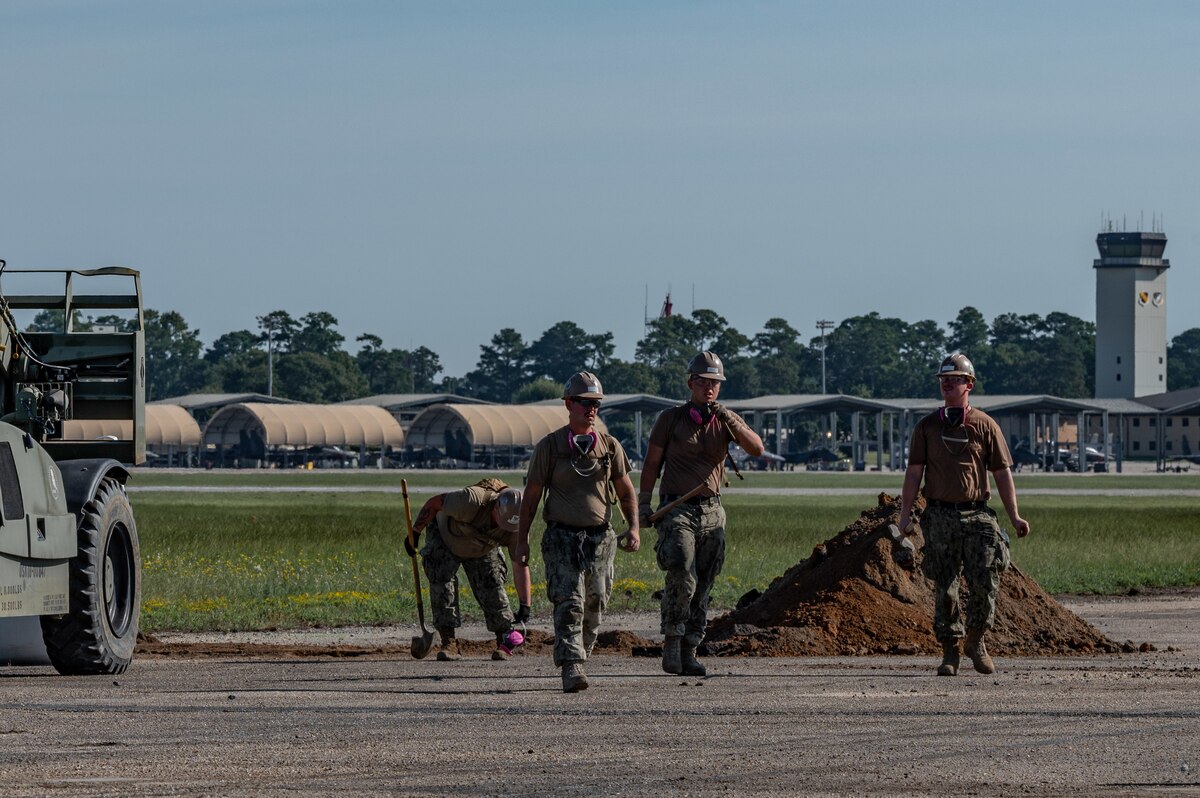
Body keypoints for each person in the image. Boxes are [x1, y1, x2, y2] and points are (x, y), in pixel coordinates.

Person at [897, 352, 1031, 676]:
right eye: (944, 380)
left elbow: (1002, 473)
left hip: (977, 515)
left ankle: (976, 641)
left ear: (969, 384)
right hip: (940, 515)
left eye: (954, 379)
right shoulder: (927, 427)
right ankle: (950, 651)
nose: (947, 384)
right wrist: (904, 516)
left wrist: (1014, 516)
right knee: (945, 586)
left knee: (986, 581)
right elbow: (914, 473)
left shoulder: (985, 425)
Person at [638, 351, 765, 676]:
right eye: (703, 382)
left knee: (706, 580)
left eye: (715, 383)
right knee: (682, 570)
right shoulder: (670, 419)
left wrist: (729, 419)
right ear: (691, 383)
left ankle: (691, 648)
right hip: (676, 507)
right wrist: (643, 504)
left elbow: (757, 448)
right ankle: (672, 640)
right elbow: (652, 464)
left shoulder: (725, 420)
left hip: (712, 510)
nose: (709, 388)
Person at [514, 371, 640, 693]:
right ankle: (572, 665)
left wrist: (634, 527)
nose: (591, 409)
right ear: (568, 404)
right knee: (569, 601)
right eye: (584, 402)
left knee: (595, 602)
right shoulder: (550, 447)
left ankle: (581, 652)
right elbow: (530, 497)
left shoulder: (610, 448)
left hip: (599, 539)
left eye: (596, 403)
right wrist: (522, 540)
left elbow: (626, 492)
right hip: (561, 538)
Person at [408, 478, 532, 661]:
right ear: (496, 508)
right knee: (442, 583)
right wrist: (415, 533)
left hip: (482, 546)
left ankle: (503, 641)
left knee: (492, 585)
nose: (503, 528)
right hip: (446, 536)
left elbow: (520, 565)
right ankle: (448, 642)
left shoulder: (516, 528)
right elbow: (434, 503)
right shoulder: (470, 500)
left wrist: (525, 604)